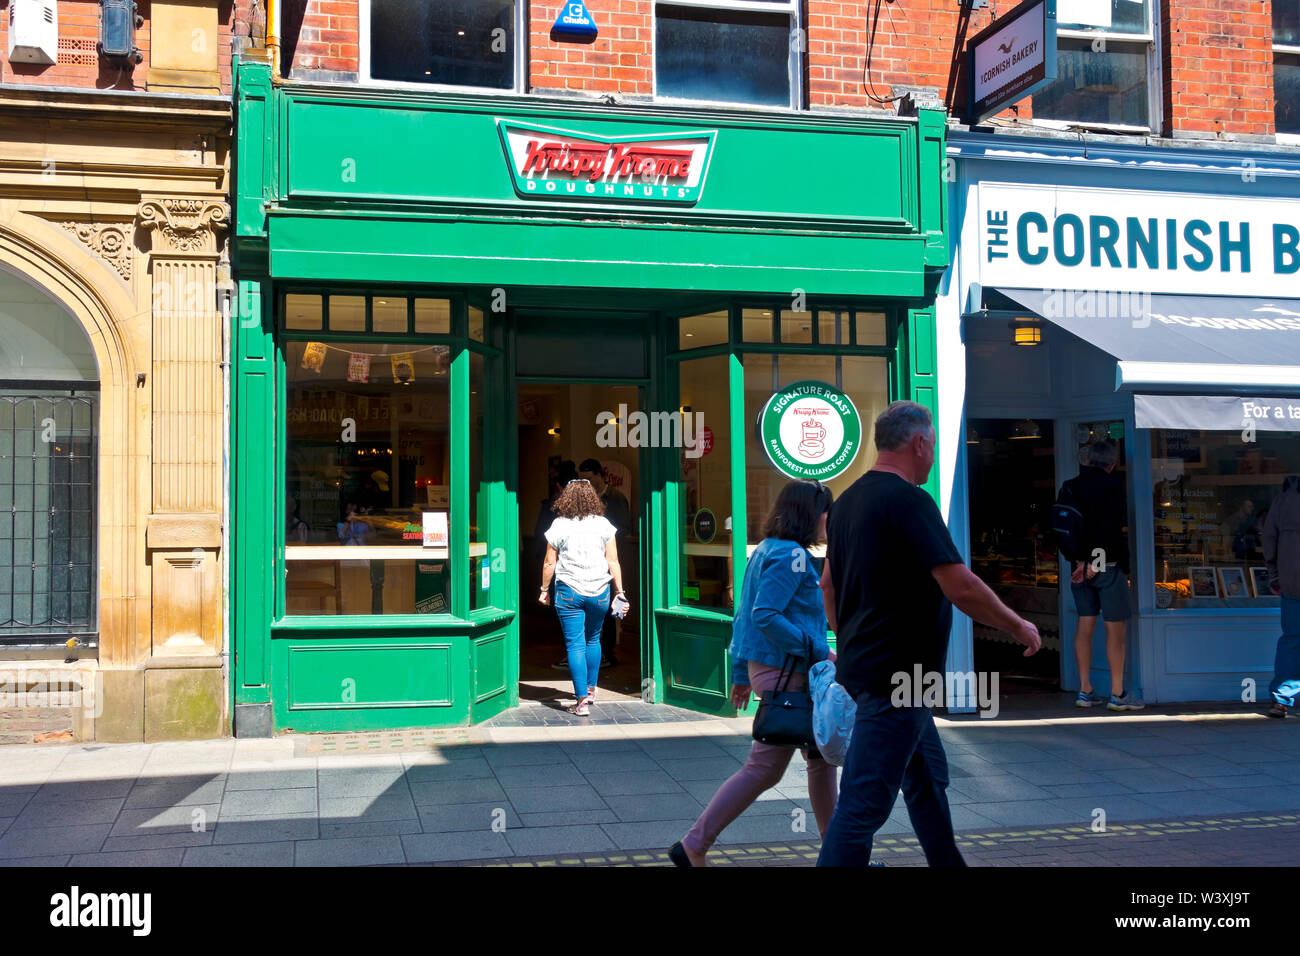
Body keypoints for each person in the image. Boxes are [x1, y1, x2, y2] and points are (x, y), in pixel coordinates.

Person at [816, 401, 1041, 868]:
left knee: (925, 782)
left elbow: (828, 586)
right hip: (898, 680)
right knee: (863, 805)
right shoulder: (910, 501)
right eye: (933, 445)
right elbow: (960, 585)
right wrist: (1017, 625)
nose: (933, 455)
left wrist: (852, 643)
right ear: (919, 443)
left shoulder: (848, 501)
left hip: (880, 674)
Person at [670, 480, 836, 867]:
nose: (831, 519)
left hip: (773, 669)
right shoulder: (790, 555)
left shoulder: (767, 550)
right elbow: (763, 615)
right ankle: (693, 844)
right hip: (790, 671)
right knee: (773, 766)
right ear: (810, 514)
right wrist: (820, 650)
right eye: (827, 511)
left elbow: (744, 613)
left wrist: (741, 671)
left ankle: (839, 854)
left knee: (814, 762)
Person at [1062, 440, 1142, 711]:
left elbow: (1063, 527)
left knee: (1084, 625)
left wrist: (1079, 562)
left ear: (1088, 460)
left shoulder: (1070, 486)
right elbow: (1109, 527)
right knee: (1114, 629)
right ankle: (1117, 694)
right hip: (1106, 566)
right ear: (1112, 463)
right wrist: (1097, 561)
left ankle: (1085, 690)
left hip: (1078, 568)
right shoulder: (1112, 486)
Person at [538, 479, 627, 716]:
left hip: (569, 590)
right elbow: (613, 561)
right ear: (592, 498)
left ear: (566, 498)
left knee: (574, 644)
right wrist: (620, 591)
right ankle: (590, 689)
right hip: (600, 590)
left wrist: (544, 590)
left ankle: (580, 702)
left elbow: (549, 562)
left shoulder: (559, 524)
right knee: (593, 639)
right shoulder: (604, 525)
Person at [1262, 476, 1300, 718]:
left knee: (1291, 641)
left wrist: (1274, 575)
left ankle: (1282, 699)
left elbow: (1269, 538)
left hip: (1292, 583)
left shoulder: (1283, 500)